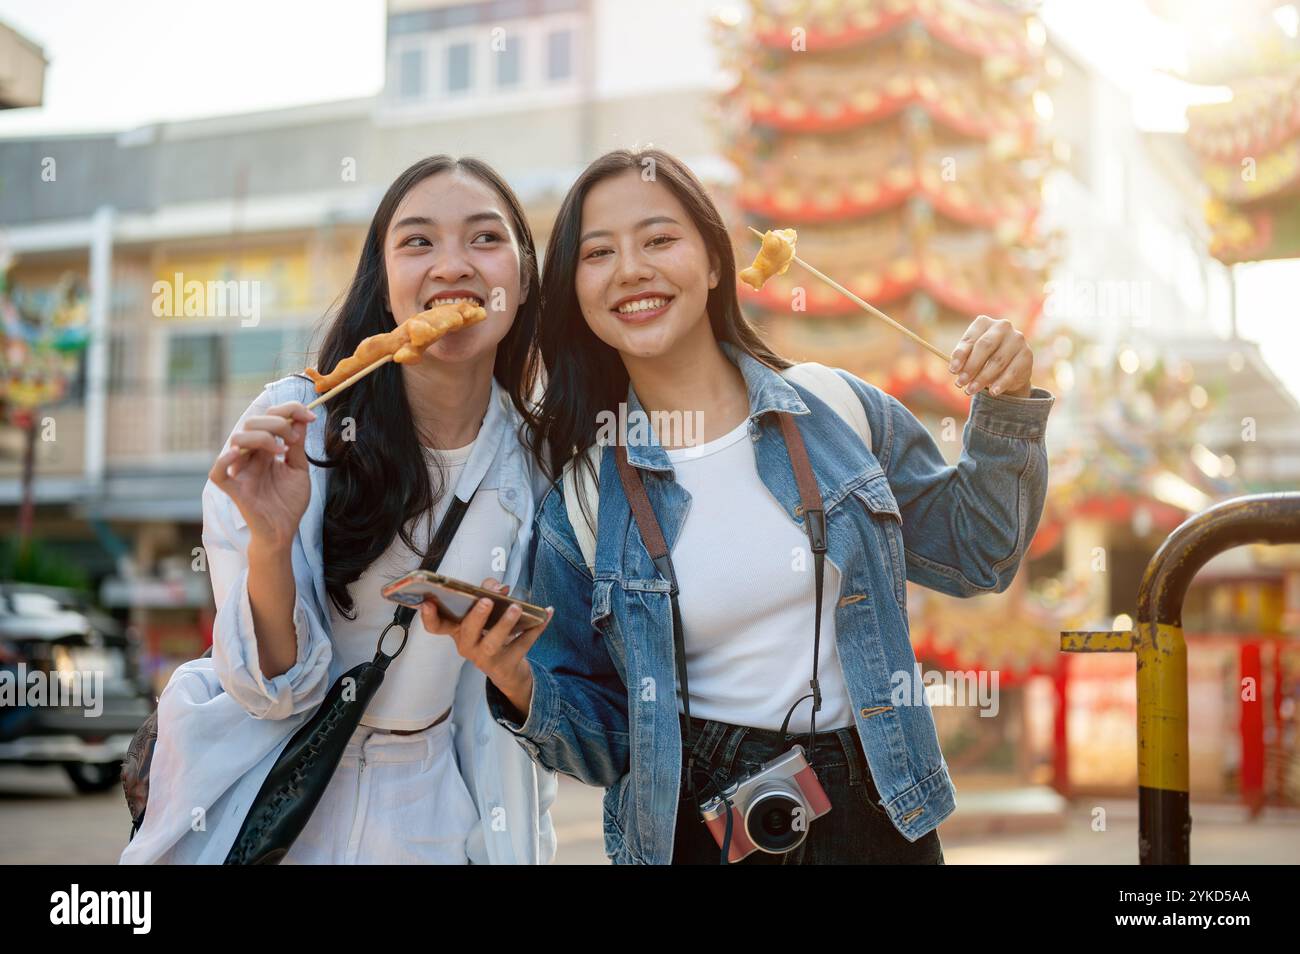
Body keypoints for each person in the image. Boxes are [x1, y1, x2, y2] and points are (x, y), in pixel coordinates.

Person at [439, 147, 1054, 864]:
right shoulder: (583, 497)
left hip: (879, 819)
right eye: (598, 252)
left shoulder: (838, 411)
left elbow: (980, 551)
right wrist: (515, 679)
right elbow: (606, 748)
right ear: (576, 290)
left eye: (659, 239)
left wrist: (1006, 406)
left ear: (714, 261)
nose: (632, 269)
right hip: (703, 838)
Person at [121, 155, 557, 864]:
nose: (451, 265)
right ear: (384, 287)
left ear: (523, 276)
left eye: (484, 239)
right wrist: (271, 540)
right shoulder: (298, 425)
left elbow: (542, 696)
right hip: (268, 792)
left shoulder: (538, 463)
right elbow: (272, 692)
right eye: (417, 242)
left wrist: (512, 663)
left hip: (432, 810)